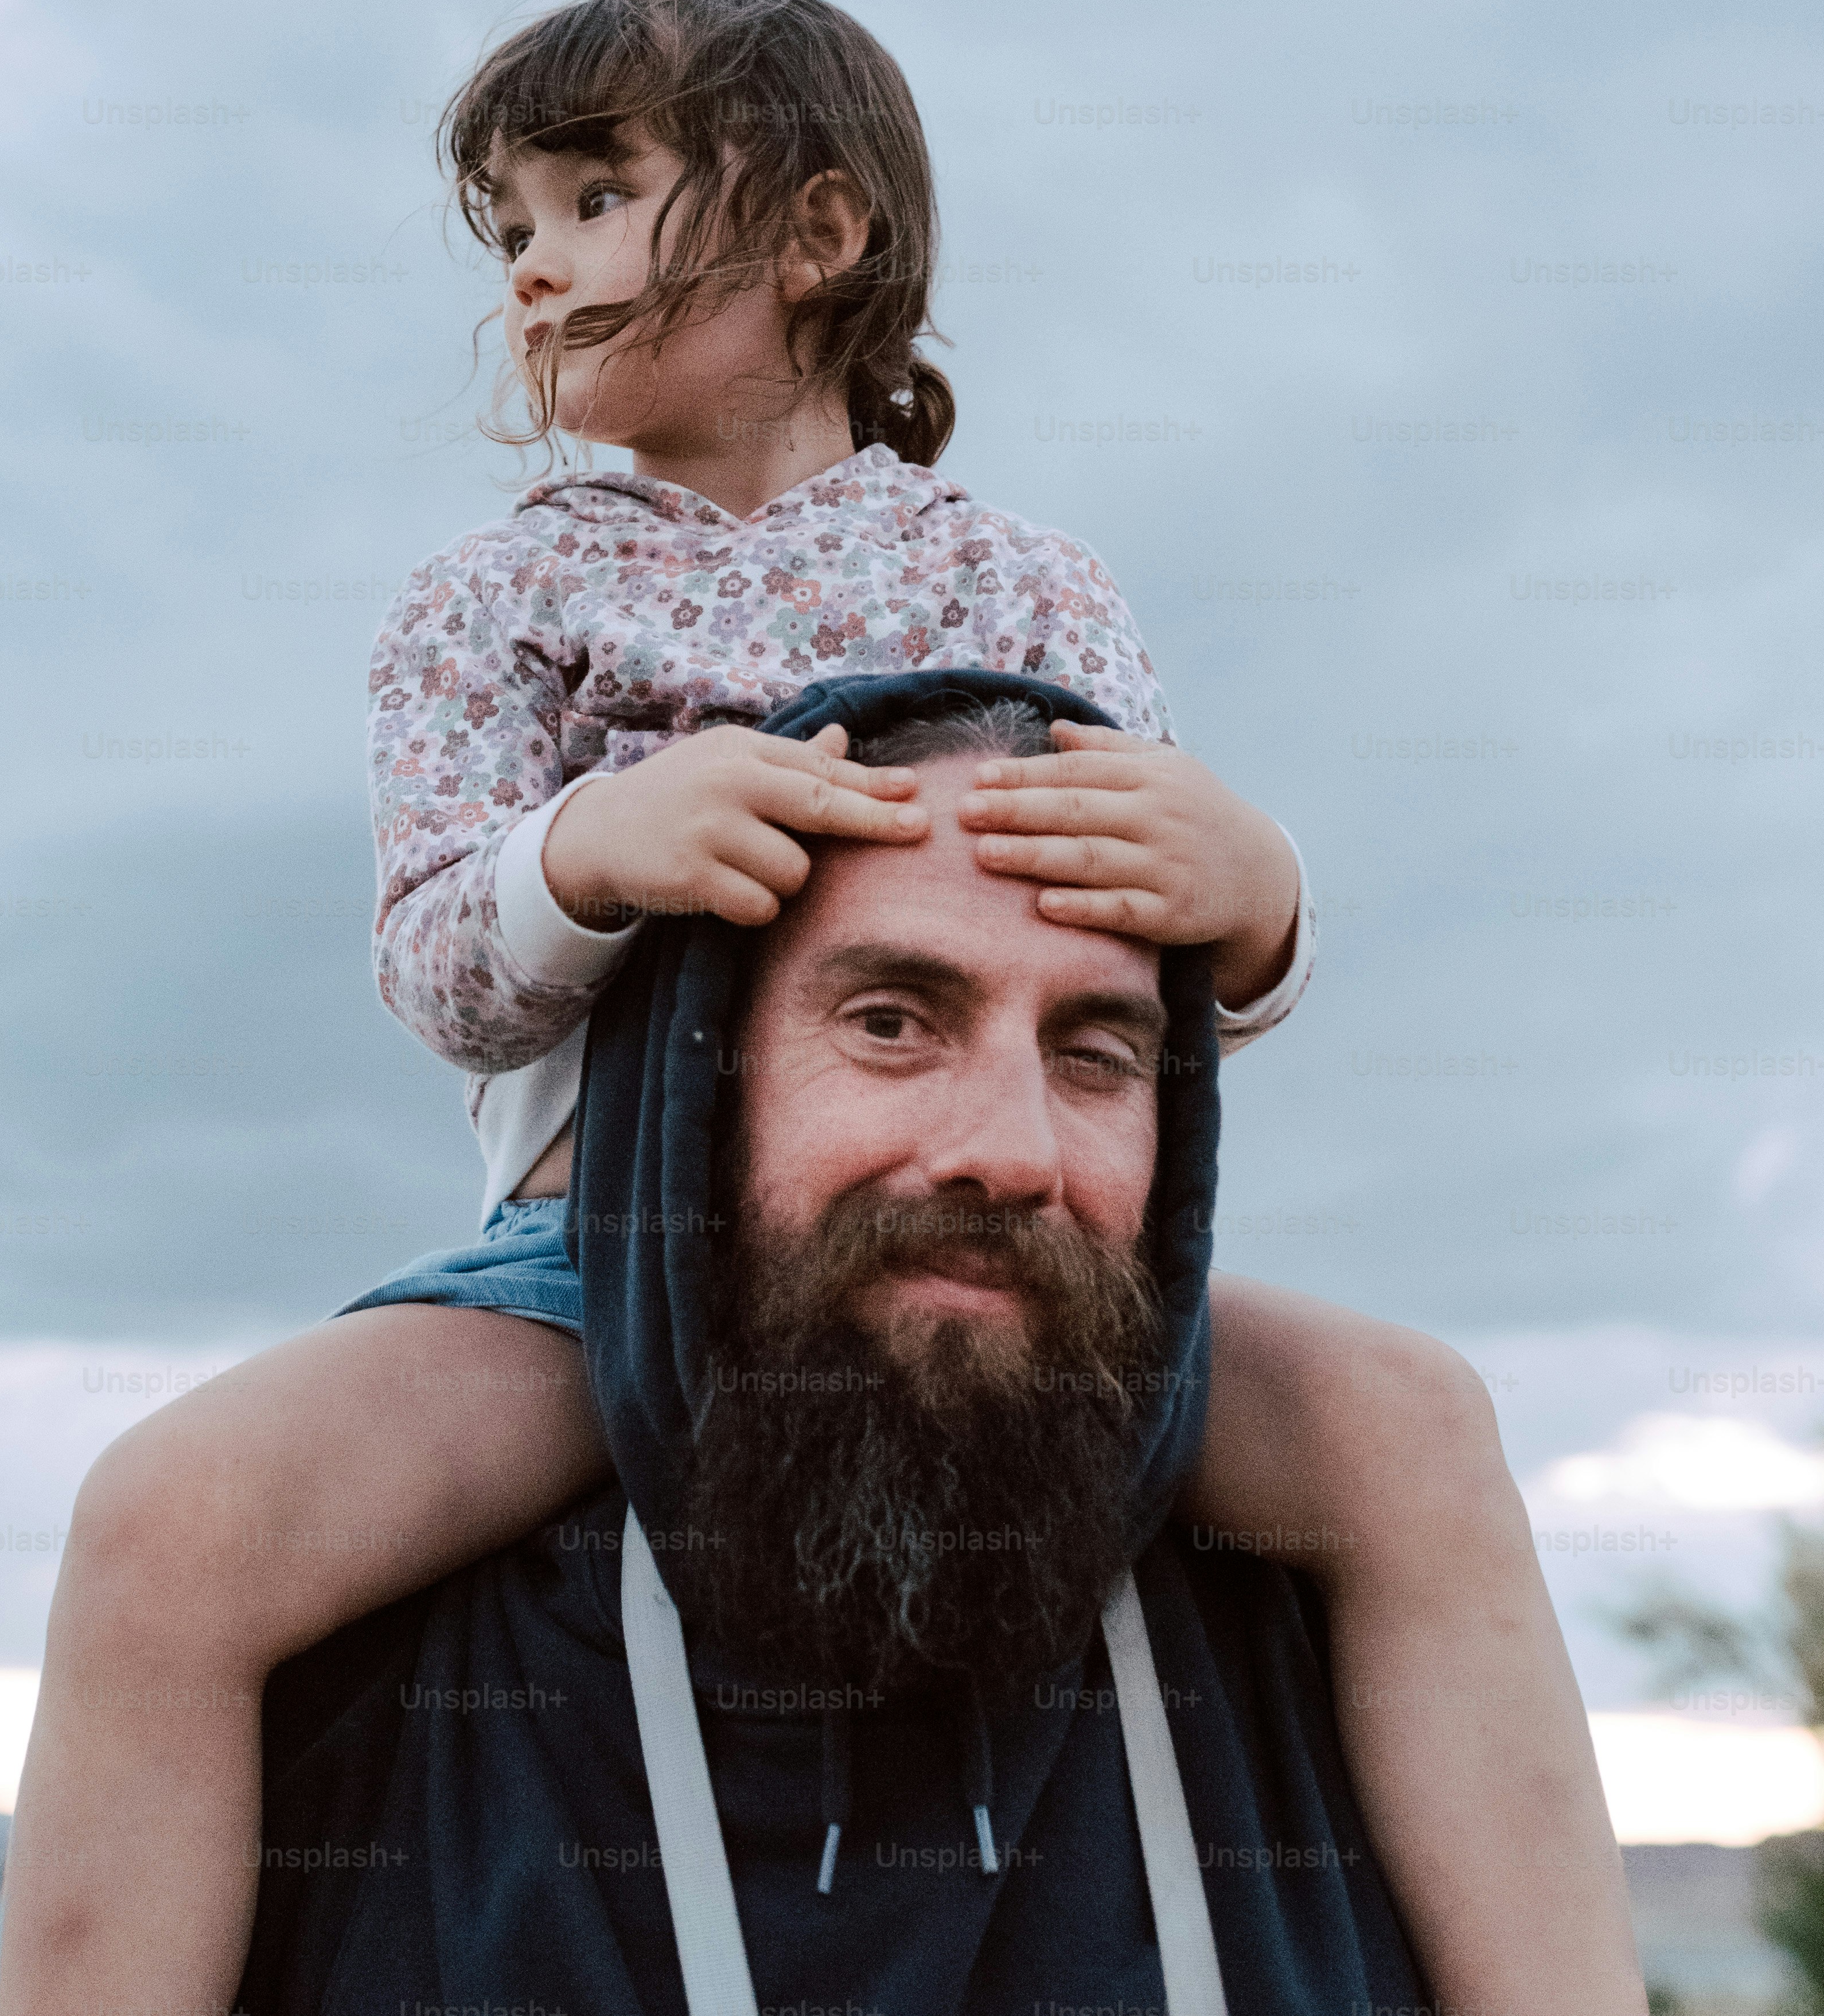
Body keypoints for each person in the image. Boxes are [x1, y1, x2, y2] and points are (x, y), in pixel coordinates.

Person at [0, 0, 1636, 2016]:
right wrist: (593, 849)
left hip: (992, 1230)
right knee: (172, 1521)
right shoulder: (488, 602)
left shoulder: (1031, 588)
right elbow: (440, 968)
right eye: (510, 222)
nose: (533, 263)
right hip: (588, 1268)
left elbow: (1116, 971)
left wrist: (1264, 895)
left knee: (1412, 1425)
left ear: (819, 234)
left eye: (597, 195)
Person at [237, 676, 1625, 2013]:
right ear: (693, 1088)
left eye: (1094, 1055)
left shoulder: (1348, 1650)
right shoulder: (357, 1713)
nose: (1008, 1155)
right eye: (891, 1023)